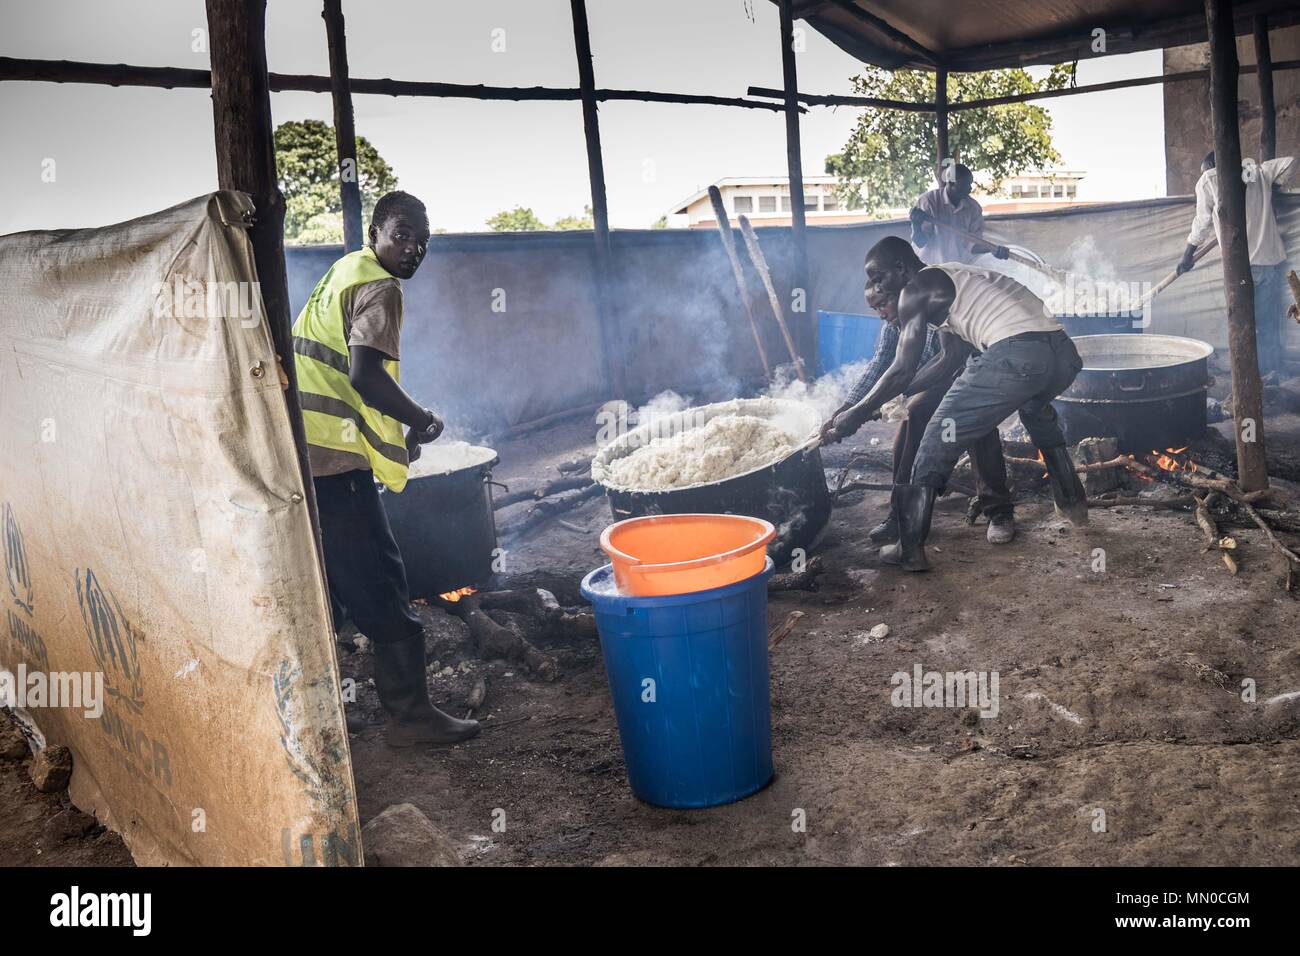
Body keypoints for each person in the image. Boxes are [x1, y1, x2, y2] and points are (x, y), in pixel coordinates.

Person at [292, 190, 479, 747]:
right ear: (375, 232)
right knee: (380, 576)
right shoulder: (380, 287)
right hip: (333, 461)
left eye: (422, 243)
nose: (413, 250)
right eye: (402, 236)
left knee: (330, 587)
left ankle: (316, 712)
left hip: (304, 450)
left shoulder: (343, 270)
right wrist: (423, 421)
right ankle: (410, 715)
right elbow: (365, 377)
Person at [822, 237, 1089, 572]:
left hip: (1016, 352)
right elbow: (948, 361)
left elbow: (903, 368)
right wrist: (894, 398)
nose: (877, 287)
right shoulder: (950, 280)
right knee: (1036, 411)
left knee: (938, 436)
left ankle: (909, 547)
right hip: (1061, 356)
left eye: (879, 279)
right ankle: (1072, 502)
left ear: (901, 269)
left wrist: (857, 413)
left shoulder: (914, 291)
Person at [825, 280, 1016, 545]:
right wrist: (851, 407)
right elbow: (880, 364)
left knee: (979, 430)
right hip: (930, 383)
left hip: (969, 374)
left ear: (899, 295)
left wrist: (899, 394)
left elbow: (949, 361)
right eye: (875, 308)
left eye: (883, 304)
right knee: (911, 424)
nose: (881, 312)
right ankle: (901, 514)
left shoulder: (934, 310)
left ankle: (999, 512)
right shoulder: (892, 326)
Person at [1178, 150, 1296, 376]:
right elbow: (1290, 163)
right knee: (1268, 323)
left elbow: (1202, 222)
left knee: (1242, 322)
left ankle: (1247, 377)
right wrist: (1276, 185)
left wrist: (1186, 256)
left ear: (1212, 166)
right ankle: (1270, 374)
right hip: (1269, 263)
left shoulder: (1209, 179)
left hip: (1238, 267)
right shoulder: (1259, 172)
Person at [910, 163, 1011, 266]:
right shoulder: (929, 201)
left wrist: (992, 249)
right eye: (964, 185)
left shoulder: (973, 208)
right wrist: (916, 225)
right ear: (951, 183)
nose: (969, 189)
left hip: (955, 271)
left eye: (970, 184)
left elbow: (972, 245)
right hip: (927, 268)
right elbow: (920, 242)